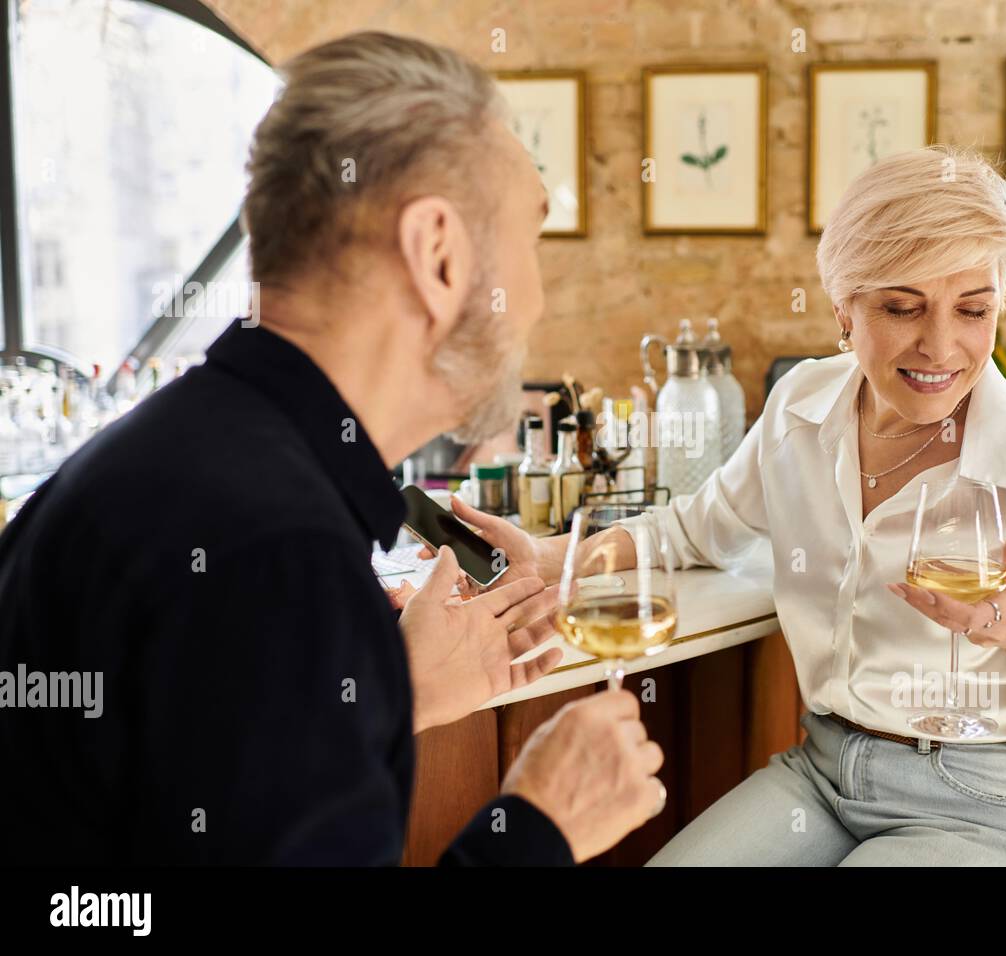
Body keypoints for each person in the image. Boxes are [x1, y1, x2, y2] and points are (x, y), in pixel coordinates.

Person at [0, 32, 664, 866]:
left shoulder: (170, 457)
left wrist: (385, 692)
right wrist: (539, 826)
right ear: (440, 255)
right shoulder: (280, 554)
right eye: (530, 240)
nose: (534, 301)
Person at [455, 146, 1006, 866]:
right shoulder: (802, 409)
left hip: (997, 804)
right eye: (902, 307)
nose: (941, 345)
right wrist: (555, 557)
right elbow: (693, 530)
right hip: (828, 773)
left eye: (974, 309)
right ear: (844, 308)